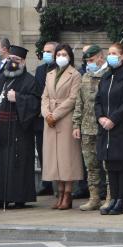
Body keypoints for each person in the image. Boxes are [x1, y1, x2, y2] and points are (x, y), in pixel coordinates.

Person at [0, 45, 40, 209]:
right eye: (10, 59)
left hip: (17, 132)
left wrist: (18, 97)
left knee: (15, 165)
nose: (12, 63)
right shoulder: (0, 78)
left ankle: (18, 197)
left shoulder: (30, 81)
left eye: (16, 60)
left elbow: (35, 104)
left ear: (23, 61)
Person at [96, 43, 123, 215]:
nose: (111, 56)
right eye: (109, 53)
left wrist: (113, 119)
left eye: (114, 53)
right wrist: (100, 117)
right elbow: (98, 100)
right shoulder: (106, 76)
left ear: (121, 56)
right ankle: (113, 198)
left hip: (121, 127)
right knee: (110, 165)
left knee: (121, 165)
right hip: (105, 127)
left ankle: (121, 200)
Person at [42, 44, 84, 210]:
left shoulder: (75, 74)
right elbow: (44, 96)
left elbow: (73, 99)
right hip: (50, 120)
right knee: (54, 159)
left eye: (64, 54)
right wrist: (47, 114)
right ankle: (59, 192)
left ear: (69, 57)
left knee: (67, 159)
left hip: (65, 119)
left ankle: (67, 193)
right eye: (58, 54)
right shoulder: (50, 74)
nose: (60, 56)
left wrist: (56, 114)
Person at [73, 44, 107, 211]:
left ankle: (109, 197)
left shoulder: (108, 75)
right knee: (91, 165)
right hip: (87, 128)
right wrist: (76, 124)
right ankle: (94, 198)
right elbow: (79, 102)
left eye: (92, 60)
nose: (89, 64)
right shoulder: (85, 76)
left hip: (103, 127)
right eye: (87, 61)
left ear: (101, 57)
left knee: (107, 166)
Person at [33, 40, 58, 197]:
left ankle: (59, 184)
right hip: (41, 116)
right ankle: (46, 183)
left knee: (56, 151)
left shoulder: (61, 69)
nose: (46, 54)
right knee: (42, 150)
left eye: (49, 51)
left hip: (55, 115)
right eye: (44, 51)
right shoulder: (40, 69)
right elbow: (37, 91)